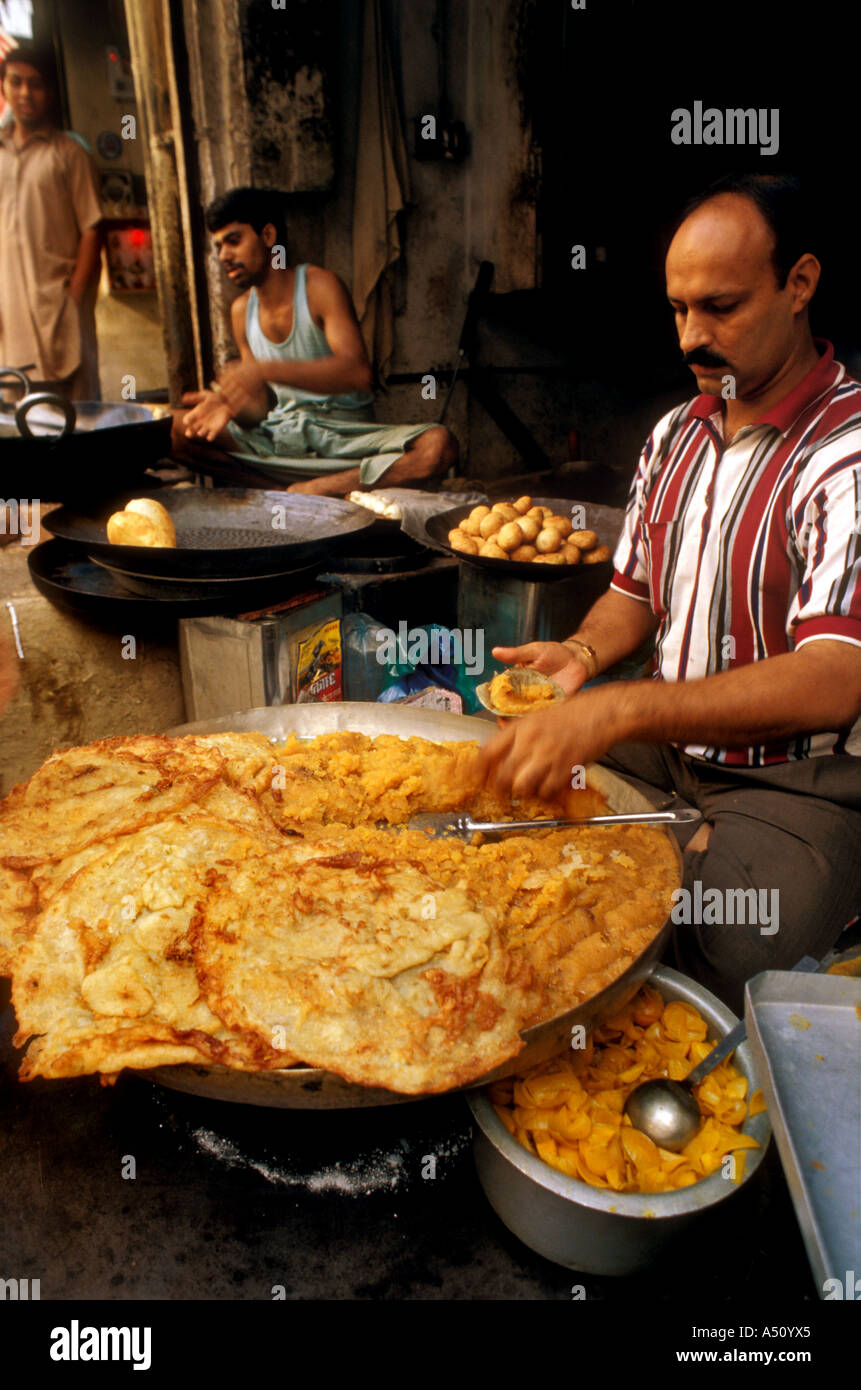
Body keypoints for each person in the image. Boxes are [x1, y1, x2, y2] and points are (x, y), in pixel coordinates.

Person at [478, 173, 861, 1014]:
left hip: (796, 779)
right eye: (679, 310)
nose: (693, 337)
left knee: (716, 946)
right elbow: (635, 595)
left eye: (720, 307)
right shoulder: (676, 432)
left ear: (798, 284)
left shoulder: (846, 454)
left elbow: (835, 676)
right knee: (499, 806)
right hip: (666, 750)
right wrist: (579, 659)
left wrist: (618, 713)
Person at [171, 186, 458, 496]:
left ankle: (318, 489)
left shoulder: (319, 287)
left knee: (437, 445)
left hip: (345, 443)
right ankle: (289, 493)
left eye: (234, 241)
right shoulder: (241, 311)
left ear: (268, 236)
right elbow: (258, 408)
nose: (224, 256)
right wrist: (229, 404)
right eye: (218, 246)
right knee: (171, 428)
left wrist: (265, 370)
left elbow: (358, 373)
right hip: (283, 440)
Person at [0, 45, 102, 400]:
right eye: (16, 82)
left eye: (36, 84)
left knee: (74, 418)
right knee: (17, 415)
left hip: (58, 307)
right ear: (3, 88)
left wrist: (74, 299)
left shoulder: (70, 153)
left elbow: (92, 229)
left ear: (52, 92)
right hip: (9, 310)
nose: (25, 93)